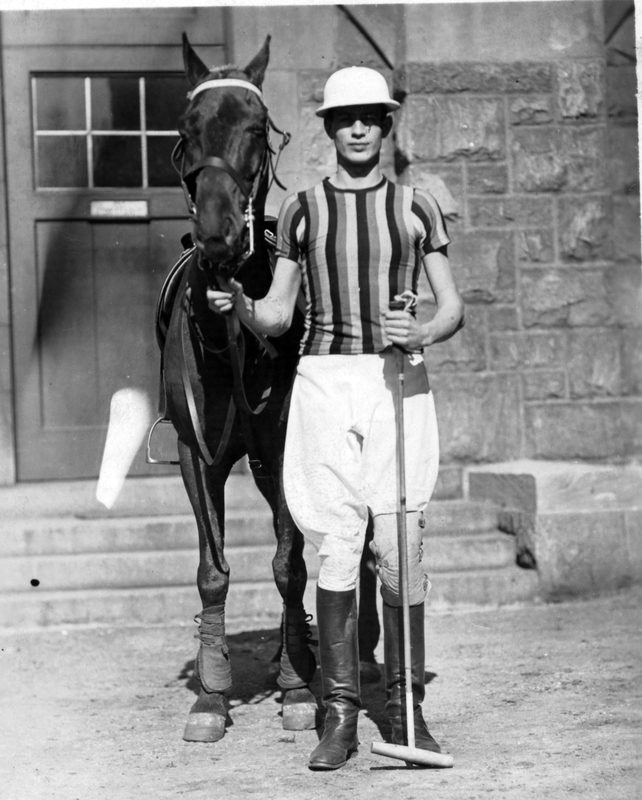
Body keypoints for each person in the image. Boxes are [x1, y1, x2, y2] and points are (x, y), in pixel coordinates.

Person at [208, 66, 465, 770]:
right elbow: (281, 312)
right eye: (344, 117)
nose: (357, 128)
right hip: (324, 382)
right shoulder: (303, 210)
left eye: (371, 117)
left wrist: (421, 334)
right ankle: (341, 712)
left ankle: (407, 710)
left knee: (402, 548)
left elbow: (451, 307)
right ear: (326, 127)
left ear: (387, 127)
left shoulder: (417, 206)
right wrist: (246, 309)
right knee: (337, 546)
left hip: (398, 384)